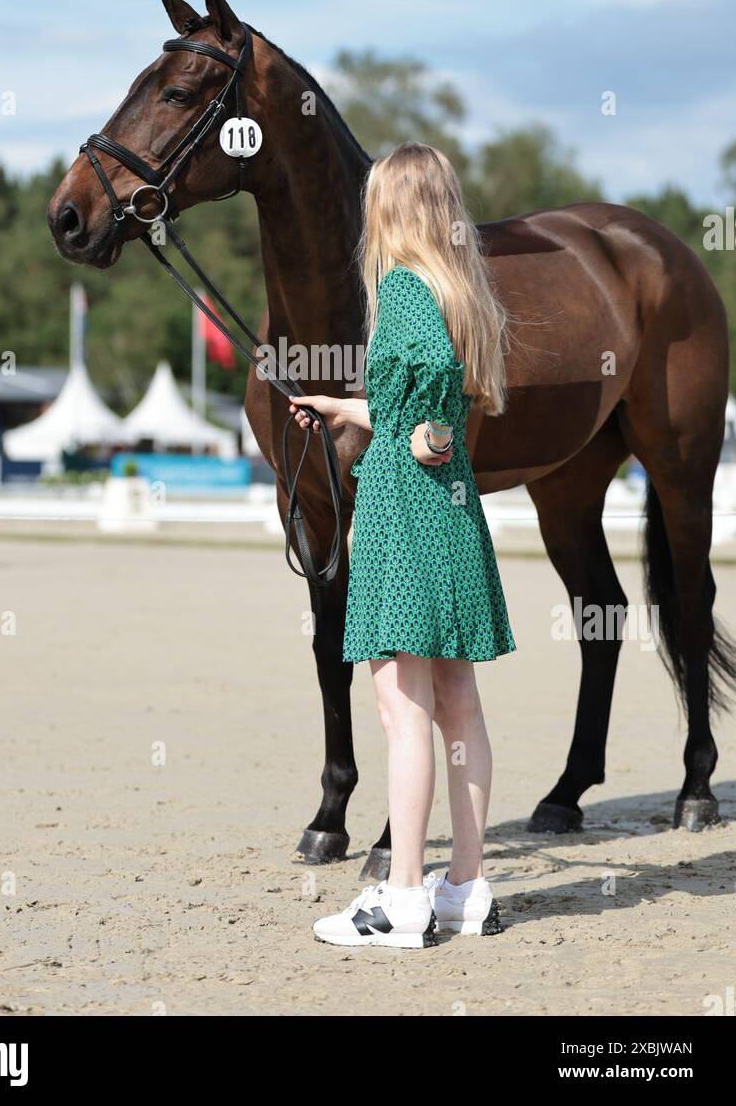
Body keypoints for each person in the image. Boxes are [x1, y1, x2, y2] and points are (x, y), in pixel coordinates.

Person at [289, 142, 516, 948]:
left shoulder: (403, 289)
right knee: (457, 702)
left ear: (393, 209)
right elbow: (430, 410)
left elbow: (421, 417)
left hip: (402, 513)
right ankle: (467, 888)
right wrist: (345, 406)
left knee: (401, 708)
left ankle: (404, 896)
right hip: (453, 514)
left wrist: (417, 432)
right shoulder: (462, 292)